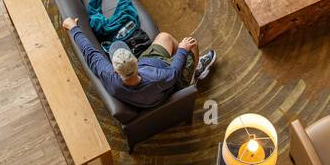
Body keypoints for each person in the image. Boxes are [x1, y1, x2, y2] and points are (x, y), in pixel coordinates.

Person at [61, 16, 215, 107]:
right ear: (135, 59)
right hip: (169, 77)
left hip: (152, 62)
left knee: (165, 37)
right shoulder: (157, 78)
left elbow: (89, 52)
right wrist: (182, 49)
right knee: (191, 44)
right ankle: (194, 74)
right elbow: (173, 73)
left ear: (114, 68)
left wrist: (73, 28)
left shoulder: (109, 76)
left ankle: (183, 62)